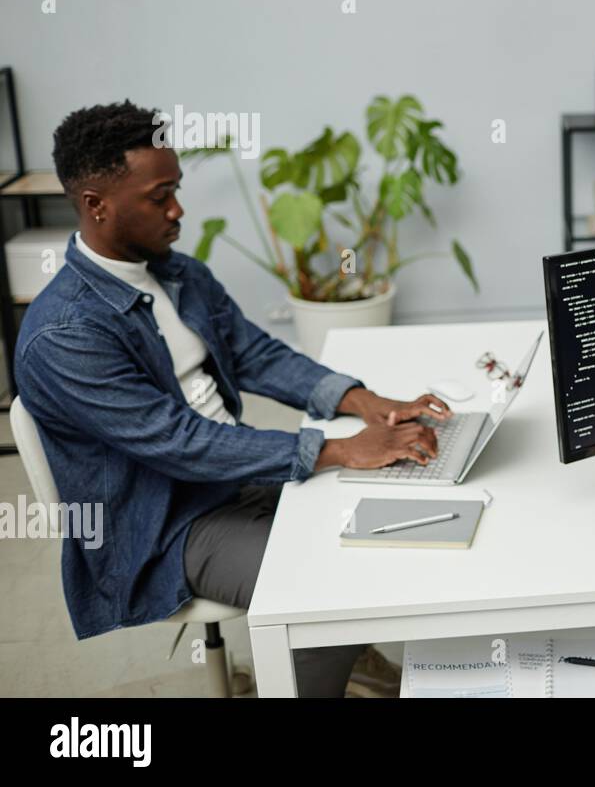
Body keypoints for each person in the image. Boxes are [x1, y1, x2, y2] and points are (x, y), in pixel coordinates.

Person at [16, 100, 448, 696]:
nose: (178, 210)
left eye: (176, 189)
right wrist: (340, 450)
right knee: (325, 585)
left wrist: (360, 400)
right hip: (166, 521)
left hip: (236, 474)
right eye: (159, 196)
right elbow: (178, 443)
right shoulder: (65, 335)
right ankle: (321, 658)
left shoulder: (177, 273)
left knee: (395, 503)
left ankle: (340, 653)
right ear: (96, 205)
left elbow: (254, 353)